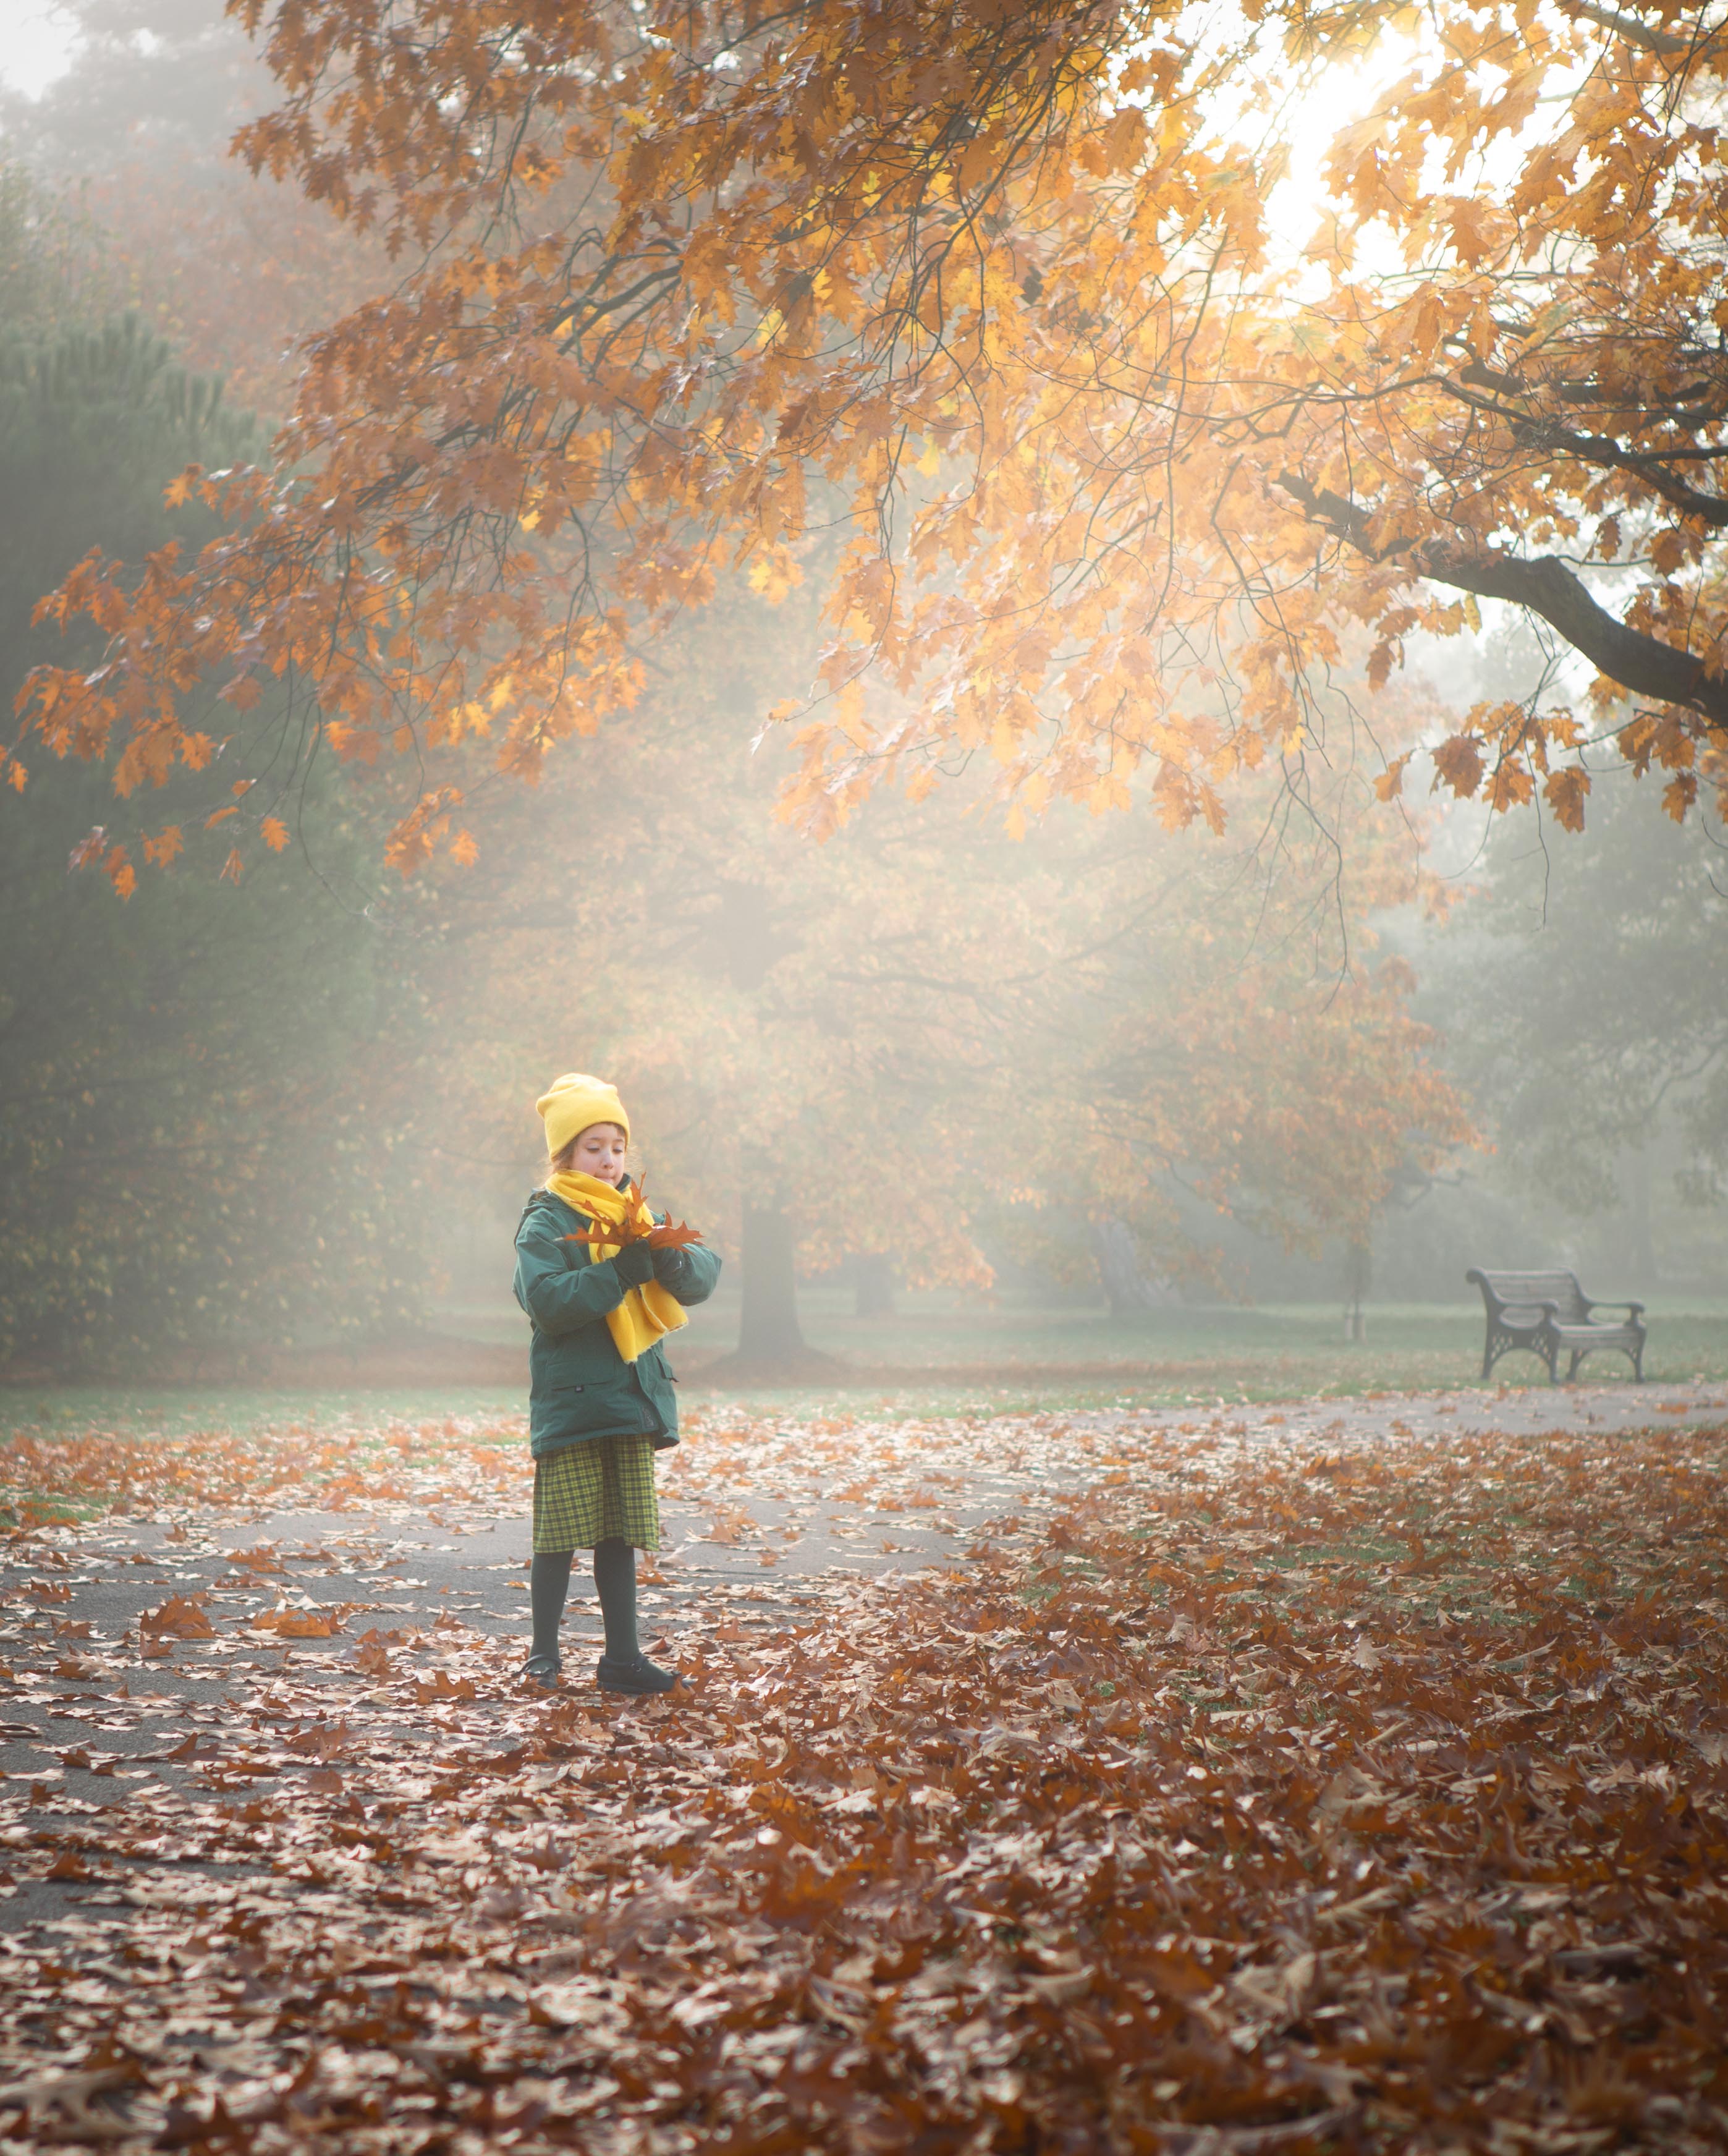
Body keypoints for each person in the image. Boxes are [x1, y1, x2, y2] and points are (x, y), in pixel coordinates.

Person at [514, 1073, 721, 1694]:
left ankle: (622, 1659)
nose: (608, 1160)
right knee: (559, 1532)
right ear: (566, 1154)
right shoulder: (546, 1218)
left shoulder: (637, 1212)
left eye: (617, 1146)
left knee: (619, 1533)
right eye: (593, 1147)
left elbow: (702, 1275)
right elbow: (547, 1301)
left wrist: (668, 1257)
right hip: (575, 1398)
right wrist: (620, 1274)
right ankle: (543, 1654)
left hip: (629, 1394)